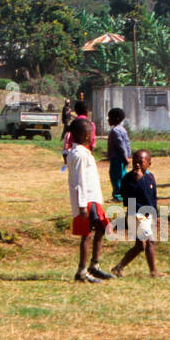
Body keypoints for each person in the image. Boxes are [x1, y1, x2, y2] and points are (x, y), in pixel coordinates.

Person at [66, 117, 113, 283]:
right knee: (87, 235)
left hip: (93, 198)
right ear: (85, 135)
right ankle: (82, 271)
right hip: (86, 201)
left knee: (101, 228)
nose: (92, 136)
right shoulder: (78, 154)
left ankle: (95, 265)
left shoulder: (84, 152)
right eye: (91, 133)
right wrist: (82, 205)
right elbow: (79, 181)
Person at [112, 149, 163, 278]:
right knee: (150, 241)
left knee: (140, 246)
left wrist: (156, 215)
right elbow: (128, 198)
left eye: (141, 162)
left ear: (149, 163)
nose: (138, 165)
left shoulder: (150, 177)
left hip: (148, 215)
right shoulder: (129, 179)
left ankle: (118, 267)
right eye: (135, 162)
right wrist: (138, 181)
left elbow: (152, 198)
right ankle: (153, 272)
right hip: (136, 214)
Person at [106, 108, 131, 203]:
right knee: (122, 175)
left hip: (117, 158)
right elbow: (127, 144)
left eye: (109, 118)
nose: (108, 120)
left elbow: (121, 145)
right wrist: (128, 155)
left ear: (115, 119)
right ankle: (124, 194)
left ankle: (118, 195)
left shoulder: (115, 131)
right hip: (122, 158)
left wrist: (125, 156)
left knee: (116, 176)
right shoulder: (122, 130)